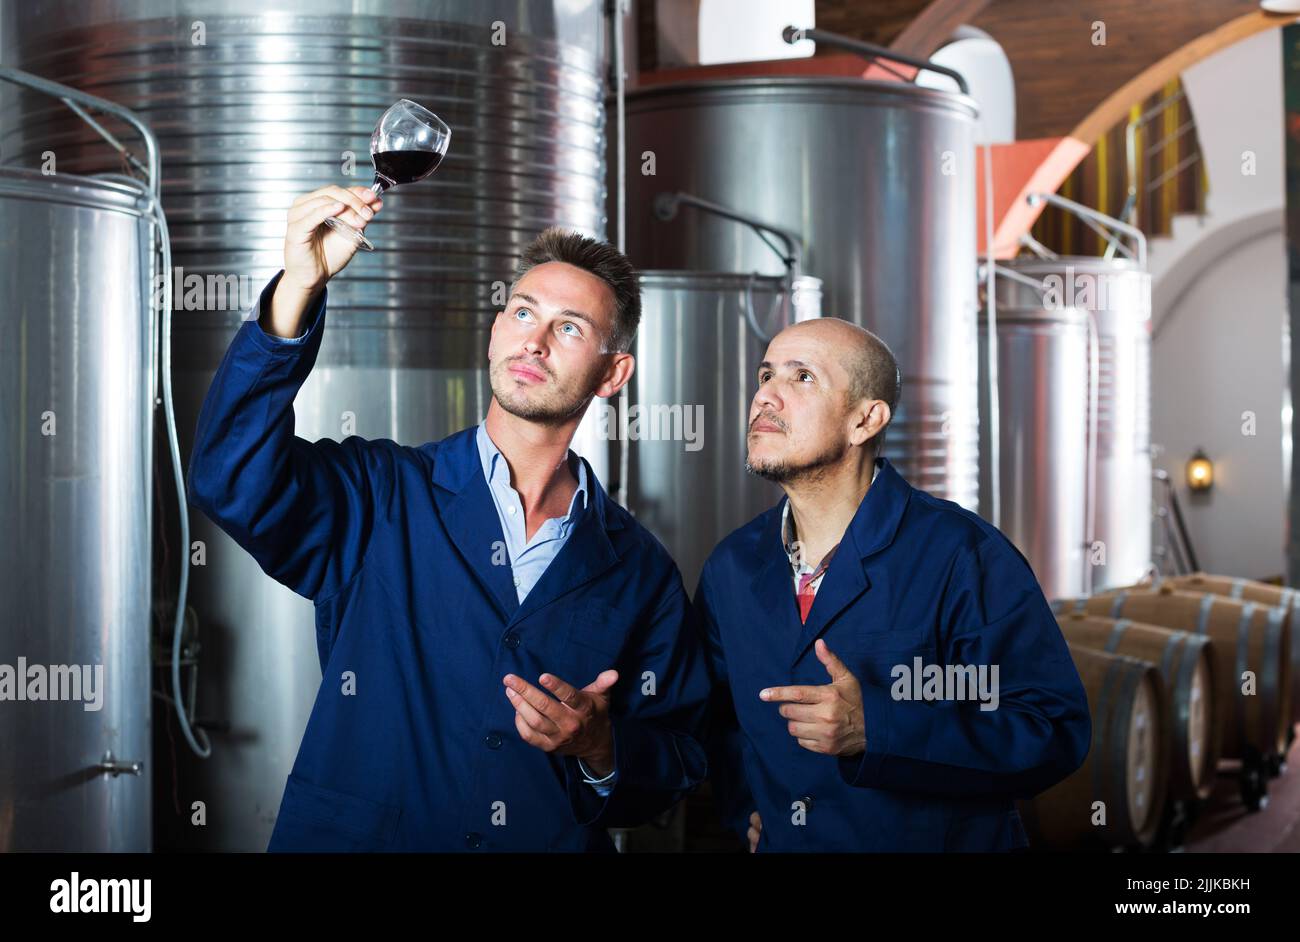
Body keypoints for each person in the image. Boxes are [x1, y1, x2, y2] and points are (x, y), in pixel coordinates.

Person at [186, 184, 709, 851]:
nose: (535, 340)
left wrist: (601, 747)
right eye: (523, 312)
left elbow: (679, 759)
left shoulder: (640, 571)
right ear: (495, 331)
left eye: (569, 327)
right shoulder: (381, 494)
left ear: (612, 373)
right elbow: (228, 474)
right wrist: (297, 288)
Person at [694, 316, 1091, 852]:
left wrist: (878, 729)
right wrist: (750, 811)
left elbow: (1052, 729)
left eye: (801, 377)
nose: (765, 396)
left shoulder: (961, 555)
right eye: (766, 375)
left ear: (865, 420)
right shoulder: (732, 568)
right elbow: (718, 723)